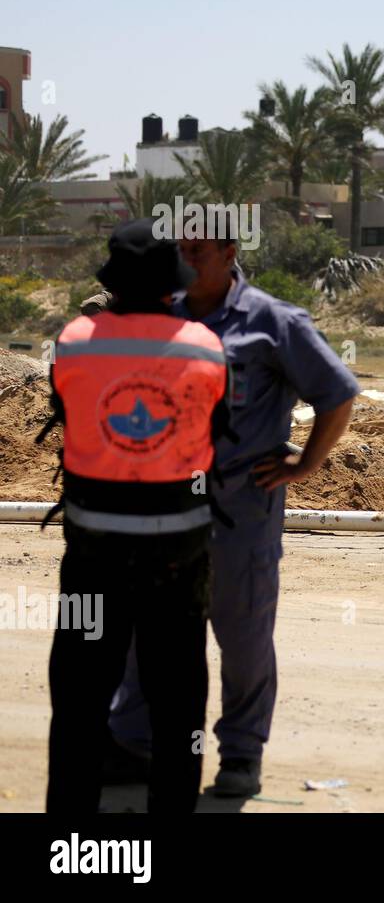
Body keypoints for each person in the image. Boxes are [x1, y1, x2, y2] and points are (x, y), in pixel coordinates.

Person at [108, 229, 358, 798]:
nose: (187, 259)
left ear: (230, 253)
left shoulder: (275, 323)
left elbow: (337, 394)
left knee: (242, 638)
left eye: (199, 250)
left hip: (239, 512)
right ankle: (132, 745)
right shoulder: (159, 317)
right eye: (180, 251)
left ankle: (241, 755)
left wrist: (306, 463)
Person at [46, 220, 228, 813]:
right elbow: (212, 429)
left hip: (92, 560)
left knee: (78, 703)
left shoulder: (74, 341)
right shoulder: (205, 345)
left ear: (114, 283)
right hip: (177, 562)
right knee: (178, 708)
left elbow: (69, 410)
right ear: (171, 284)